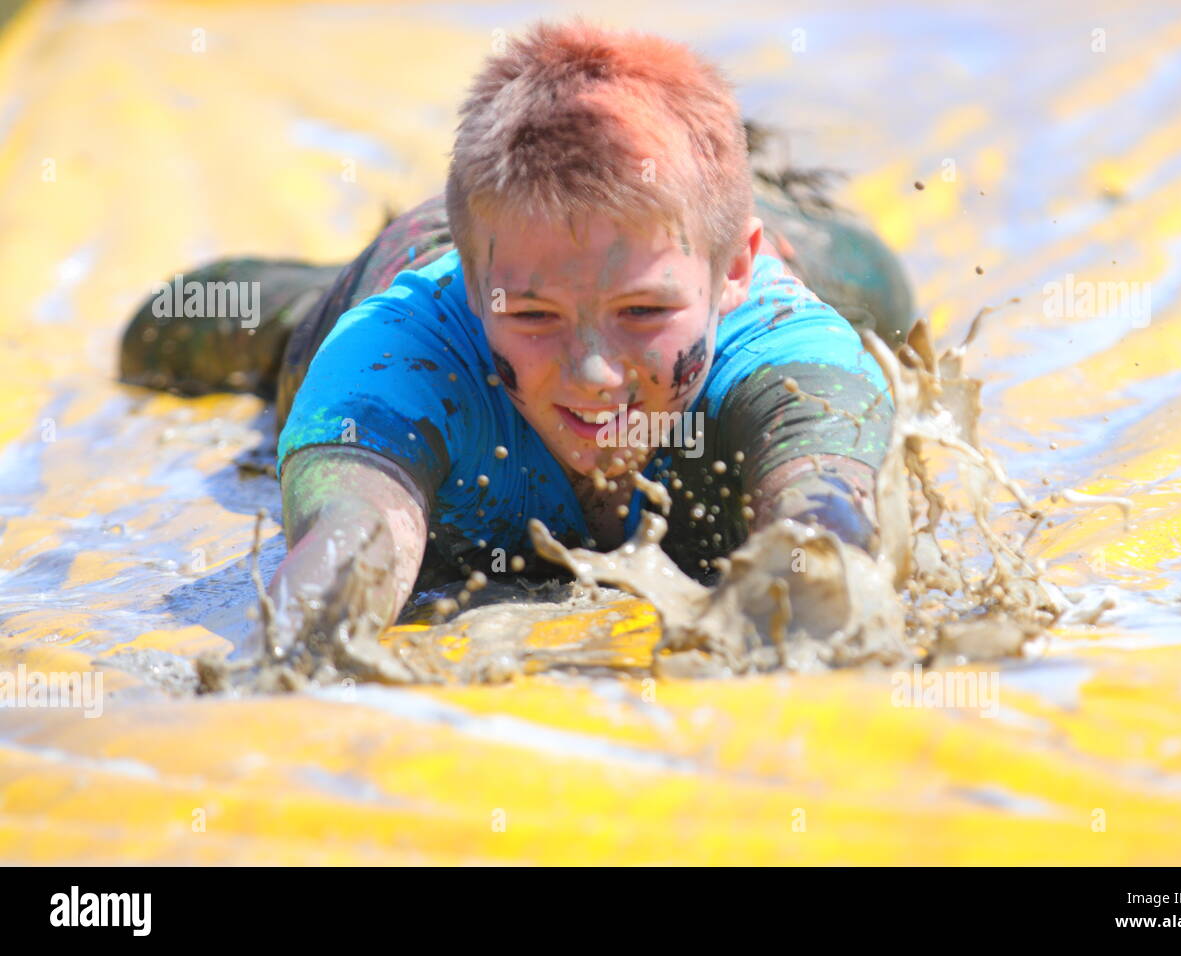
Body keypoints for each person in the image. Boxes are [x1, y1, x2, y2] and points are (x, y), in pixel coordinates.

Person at [118, 19, 914, 650]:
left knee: (884, 293)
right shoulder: (394, 358)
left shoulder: (795, 360)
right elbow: (341, 560)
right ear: (472, 291)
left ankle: (740, 169)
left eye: (642, 313)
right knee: (166, 333)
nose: (595, 374)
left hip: (717, 240)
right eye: (535, 318)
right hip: (429, 249)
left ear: (737, 272)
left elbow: (827, 567)